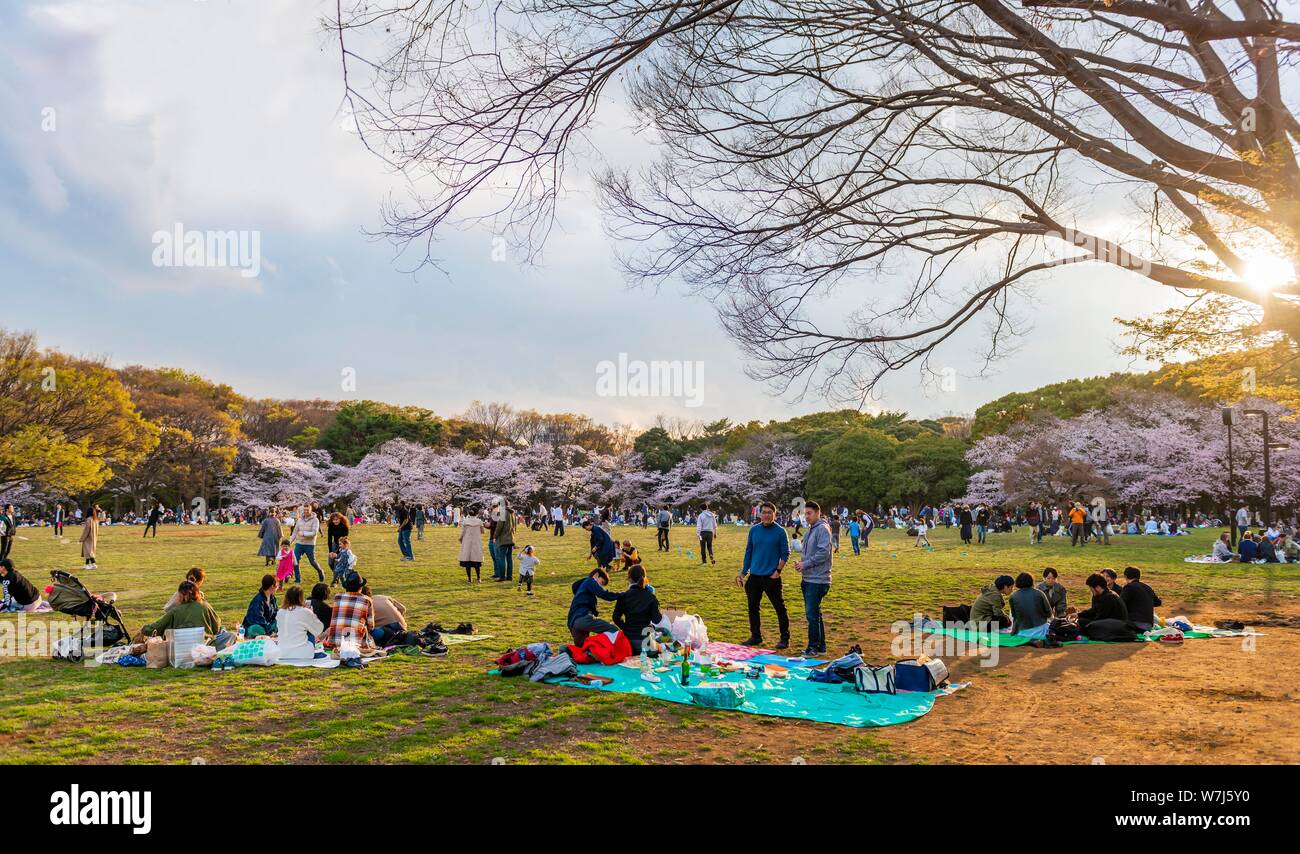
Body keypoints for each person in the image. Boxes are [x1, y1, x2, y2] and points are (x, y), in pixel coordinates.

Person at [737, 501, 791, 650]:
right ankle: (755, 636)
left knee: (779, 608)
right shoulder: (754, 530)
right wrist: (743, 572)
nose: (766, 515)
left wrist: (778, 571)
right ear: (760, 514)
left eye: (769, 512)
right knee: (753, 608)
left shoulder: (780, 531)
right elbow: (749, 552)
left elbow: (786, 554)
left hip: (771, 577)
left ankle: (784, 638)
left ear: (775, 514)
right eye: (764, 512)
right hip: (754, 577)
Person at [140, 581, 231, 648]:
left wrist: (144, 629)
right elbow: (216, 627)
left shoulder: (175, 611)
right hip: (204, 646)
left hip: (180, 649)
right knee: (231, 635)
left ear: (180, 595)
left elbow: (156, 628)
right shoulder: (205, 606)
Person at [794, 501, 832, 656]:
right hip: (810, 577)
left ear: (818, 513)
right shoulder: (811, 530)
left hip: (817, 579)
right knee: (816, 614)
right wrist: (801, 563)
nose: (806, 516)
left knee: (812, 615)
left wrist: (806, 564)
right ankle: (821, 647)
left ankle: (813, 647)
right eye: (805, 513)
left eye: (809, 513)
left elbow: (824, 553)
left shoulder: (822, 529)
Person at [566, 567, 624, 646]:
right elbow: (604, 594)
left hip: (573, 623)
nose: (601, 586)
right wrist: (621, 595)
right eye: (602, 582)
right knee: (614, 630)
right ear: (596, 575)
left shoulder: (581, 587)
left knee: (582, 649)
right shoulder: (590, 581)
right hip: (583, 617)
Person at [613, 564, 664, 653]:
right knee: (662, 645)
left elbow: (615, 617)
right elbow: (657, 620)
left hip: (628, 641)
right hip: (646, 642)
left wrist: (625, 627)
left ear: (629, 579)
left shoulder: (624, 596)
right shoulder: (650, 596)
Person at [325, 573, 376, 650]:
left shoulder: (337, 597)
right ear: (361, 587)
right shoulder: (367, 600)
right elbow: (371, 626)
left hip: (334, 642)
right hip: (354, 644)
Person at [275, 586, 326, 661]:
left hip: (282, 652)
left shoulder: (280, 612)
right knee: (309, 629)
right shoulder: (305, 611)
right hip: (302, 653)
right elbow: (319, 629)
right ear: (301, 598)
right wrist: (311, 614)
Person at [1118, 566, 1162, 631]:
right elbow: (1158, 603)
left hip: (1135, 624)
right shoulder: (1148, 587)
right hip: (1149, 626)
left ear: (1125, 576)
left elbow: (1120, 604)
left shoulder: (1129, 587)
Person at [293, 504, 324, 581]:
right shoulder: (300, 519)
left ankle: (320, 571)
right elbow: (295, 531)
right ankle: (297, 579)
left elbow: (314, 533)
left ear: (311, 510)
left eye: (308, 510)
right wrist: (289, 541)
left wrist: (303, 533)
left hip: (309, 544)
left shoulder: (315, 520)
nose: (306, 511)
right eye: (305, 510)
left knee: (312, 562)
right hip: (299, 543)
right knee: (294, 560)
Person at [458, 506, 485, 583]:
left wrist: (460, 539)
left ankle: (469, 579)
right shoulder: (479, 521)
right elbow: (482, 531)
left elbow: (462, 532)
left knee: (467, 561)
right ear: (477, 513)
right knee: (476, 561)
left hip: (467, 541)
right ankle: (479, 578)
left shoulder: (465, 521)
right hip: (476, 541)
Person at [493, 502, 516, 581]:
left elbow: (499, 527)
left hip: (503, 538)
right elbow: (514, 526)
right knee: (509, 558)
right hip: (511, 538)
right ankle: (509, 576)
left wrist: (495, 536)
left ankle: (502, 576)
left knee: (501, 558)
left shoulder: (503, 513)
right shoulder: (511, 512)